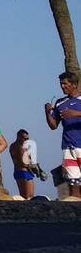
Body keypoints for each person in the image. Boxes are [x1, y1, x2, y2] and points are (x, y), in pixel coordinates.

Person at [46, 70, 81, 200]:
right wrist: (47, 113)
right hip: (68, 146)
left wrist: (76, 114)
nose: (62, 86)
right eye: (61, 84)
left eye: (65, 84)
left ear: (74, 84)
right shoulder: (60, 103)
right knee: (73, 181)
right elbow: (53, 126)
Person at [9, 129, 38, 199]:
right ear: (19, 137)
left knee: (31, 197)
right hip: (22, 172)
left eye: (27, 139)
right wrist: (35, 168)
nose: (26, 140)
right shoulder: (17, 147)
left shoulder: (24, 146)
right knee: (25, 197)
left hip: (27, 172)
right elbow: (23, 163)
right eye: (24, 138)